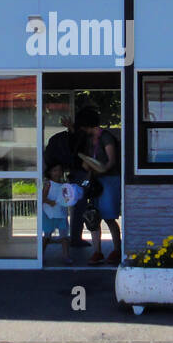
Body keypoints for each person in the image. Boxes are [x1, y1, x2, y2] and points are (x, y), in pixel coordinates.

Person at [74, 106, 122, 265]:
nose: (81, 129)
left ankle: (116, 250)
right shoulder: (89, 140)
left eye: (82, 125)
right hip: (95, 180)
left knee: (109, 217)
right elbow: (89, 160)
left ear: (87, 124)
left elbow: (111, 161)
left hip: (109, 180)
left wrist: (101, 170)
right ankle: (97, 252)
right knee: (93, 217)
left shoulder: (106, 137)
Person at [44, 114, 90, 249]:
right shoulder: (77, 139)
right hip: (77, 175)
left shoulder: (58, 140)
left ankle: (54, 239)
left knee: (71, 208)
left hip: (67, 177)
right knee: (78, 207)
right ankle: (74, 239)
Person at [41, 161, 82, 264]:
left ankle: (66, 256)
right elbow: (42, 198)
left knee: (64, 237)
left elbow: (66, 198)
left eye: (59, 170)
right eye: (54, 170)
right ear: (49, 172)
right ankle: (40, 255)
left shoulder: (64, 185)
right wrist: (50, 202)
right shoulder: (48, 184)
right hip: (49, 214)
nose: (57, 173)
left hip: (61, 214)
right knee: (47, 237)